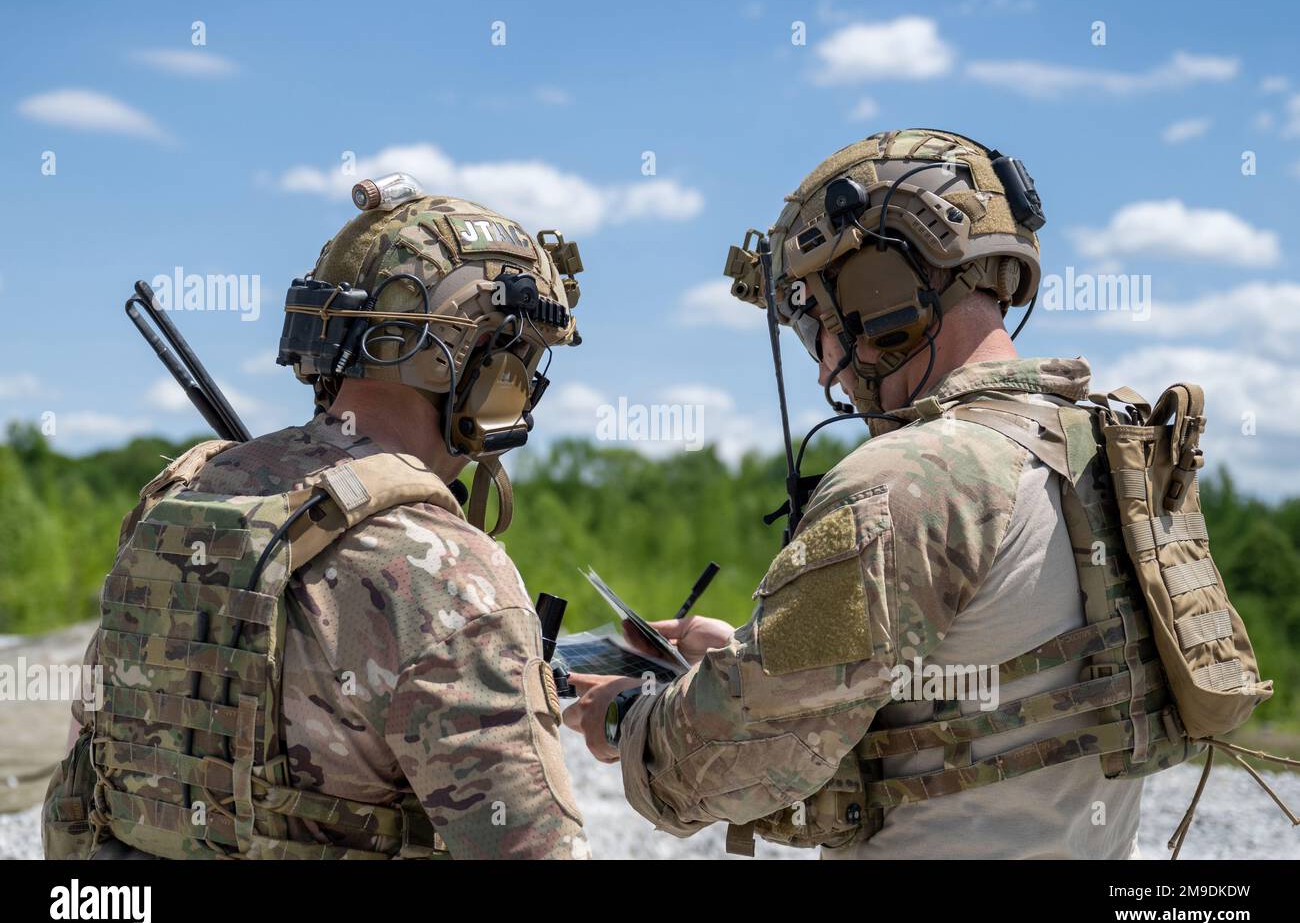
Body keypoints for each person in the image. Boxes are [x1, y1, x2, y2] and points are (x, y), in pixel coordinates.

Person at [562, 128, 1252, 859]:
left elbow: (727, 762)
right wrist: (746, 656)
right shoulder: (1099, 448)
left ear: (876, 294)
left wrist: (626, 720)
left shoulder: (911, 479)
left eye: (815, 319)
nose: (826, 366)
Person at [45, 175, 590, 859]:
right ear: (486, 363)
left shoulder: (182, 498)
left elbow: (81, 783)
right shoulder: (448, 571)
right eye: (523, 360)